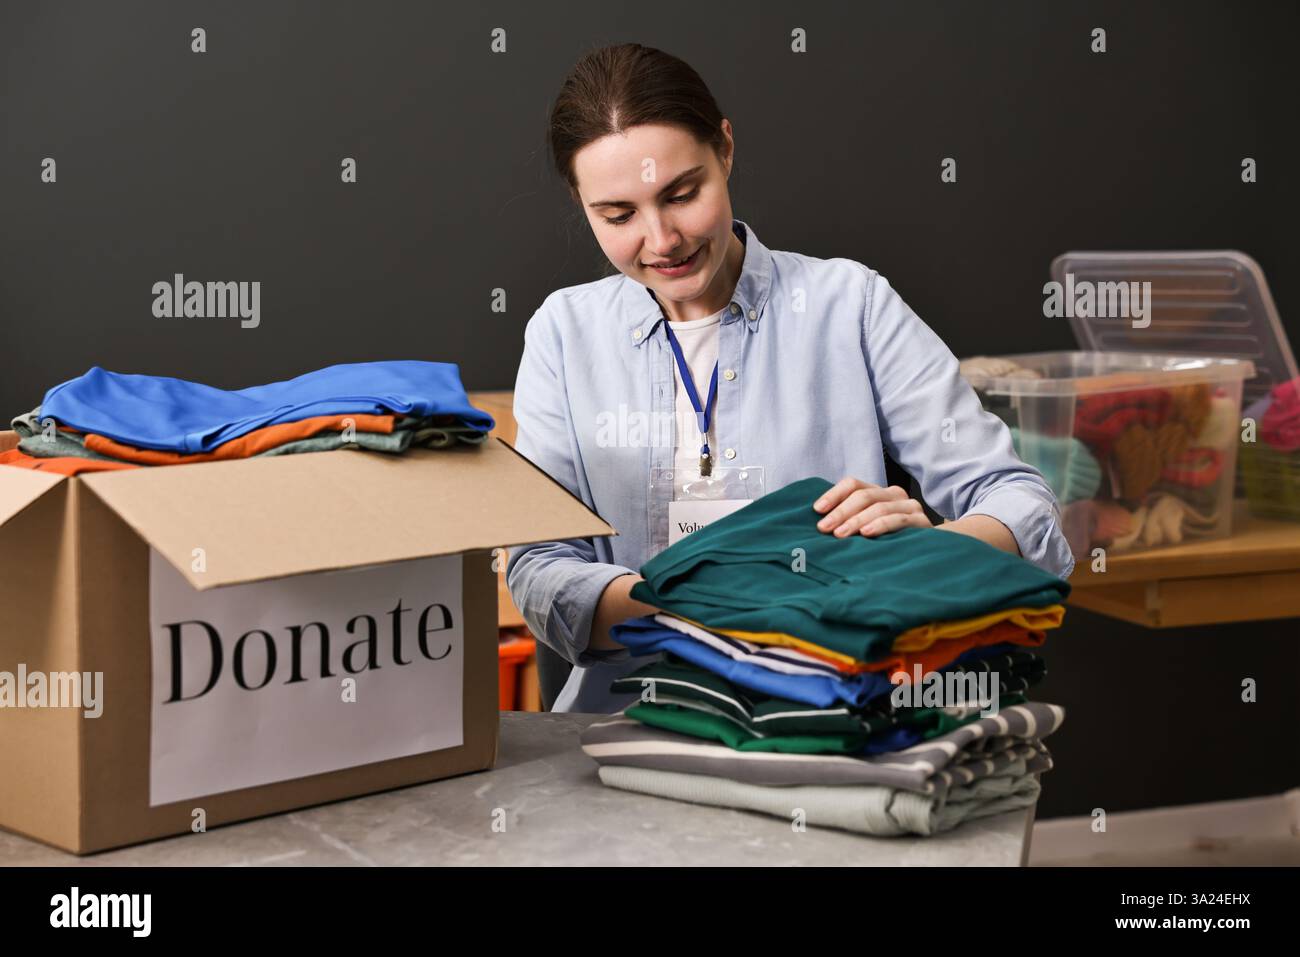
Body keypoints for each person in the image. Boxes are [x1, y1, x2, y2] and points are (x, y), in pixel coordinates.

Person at [507, 43, 1073, 714]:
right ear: (582, 202)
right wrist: (713, 612)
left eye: (682, 194)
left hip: (836, 715)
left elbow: (1027, 511)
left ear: (725, 148)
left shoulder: (850, 305)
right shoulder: (563, 334)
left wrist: (918, 556)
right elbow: (539, 570)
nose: (661, 240)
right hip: (630, 718)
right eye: (618, 215)